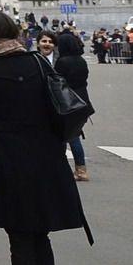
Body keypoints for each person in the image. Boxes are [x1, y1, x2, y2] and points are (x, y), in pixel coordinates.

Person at [0, 11, 91, 265]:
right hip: (44, 154)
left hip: (4, 158)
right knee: (39, 232)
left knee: (19, 233)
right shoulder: (36, 61)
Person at [52, 31, 92, 182]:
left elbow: (58, 81)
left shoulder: (62, 62)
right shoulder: (81, 60)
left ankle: (65, 168)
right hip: (83, 101)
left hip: (68, 101)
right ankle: (80, 169)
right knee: (74, 135)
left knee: (66, 137)